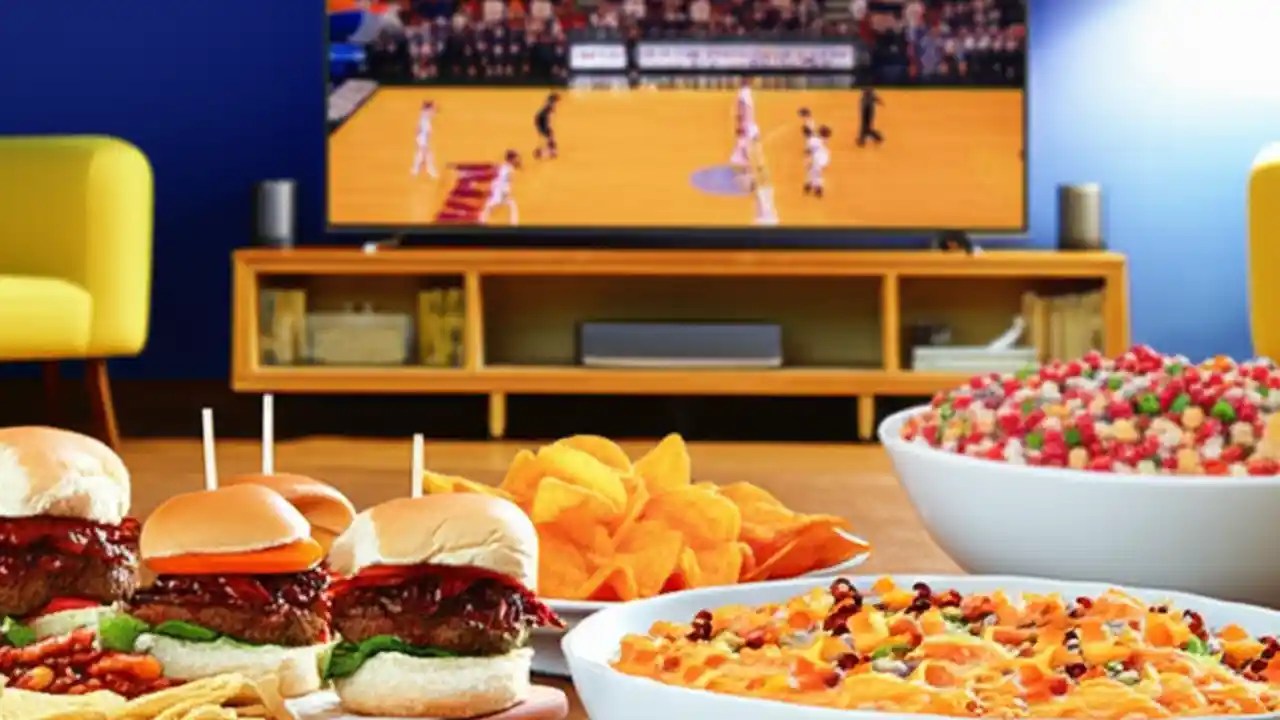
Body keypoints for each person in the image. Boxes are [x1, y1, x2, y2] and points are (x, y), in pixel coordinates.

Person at [481, 150, 521, 225]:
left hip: (496, 189)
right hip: (499, 191)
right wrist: (506, 192)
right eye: (516, 158)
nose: (517, 160)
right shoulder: (509, 169)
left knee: (510, 204)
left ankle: (482, 222)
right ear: (511, 159)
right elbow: (505, 181)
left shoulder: (504, 166)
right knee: (491, 206)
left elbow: (497, 179)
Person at [411, 101, 439, 178]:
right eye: (432, 108)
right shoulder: (424, 118)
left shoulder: (424, 116)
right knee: (427, 155)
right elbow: (418, 129)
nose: (434, 111)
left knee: (421, 154)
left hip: (422, 138)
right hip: (423, 139)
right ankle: (430, 171)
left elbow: (417, 129)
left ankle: (415, 170)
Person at [804, 125, 831, 198]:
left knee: (813, 172)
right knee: (816, 172)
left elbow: (808, 152)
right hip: (824, 157)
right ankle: (812, 186)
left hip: (818, 158)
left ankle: (815, 187)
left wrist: (807, 160)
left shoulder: (811, 140)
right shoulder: (819, 139)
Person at [533, 92, 559, 160]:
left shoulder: (548, 105)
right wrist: (547, 126)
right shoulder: (549, 106)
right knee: (550, 136)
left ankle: (548, 151)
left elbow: (540, 116)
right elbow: (546, 116)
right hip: (543, 122)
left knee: (550, 136)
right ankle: (545, 152)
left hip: (542, 122)